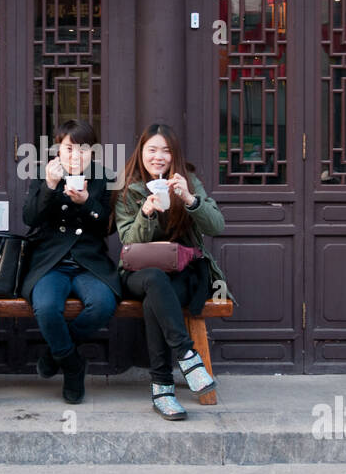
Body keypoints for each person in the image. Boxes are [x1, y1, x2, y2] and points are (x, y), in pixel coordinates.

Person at [114, 123, 228, 421]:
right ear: (141, 153)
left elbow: (217, 226)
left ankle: (162, 387)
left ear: (173, 155)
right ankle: (189, 357)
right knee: (154, 280)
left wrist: (190, 199)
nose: (158, 157)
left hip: (184, 272)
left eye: (165, 151)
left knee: (157, 299)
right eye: (152, 150)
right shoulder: (128, 188)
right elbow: (129, 242)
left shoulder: (188, 182)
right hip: (140, 272)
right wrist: (146, 213)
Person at [21, 119, 120, 404]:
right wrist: (50, 186)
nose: (75, 155)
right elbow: (29, 218)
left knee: (102, 304)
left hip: (89, 261)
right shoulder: (44, 174)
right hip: (50, 261)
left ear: (93, 152)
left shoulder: (104, 177)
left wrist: (88, 202)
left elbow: (107, 228)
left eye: (83, 149)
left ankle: (56, 354)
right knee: (47, 307)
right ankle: (73, 366)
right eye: (69, 148)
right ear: (58, 149)